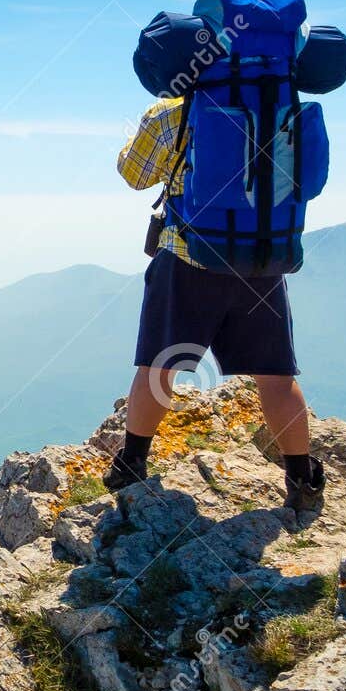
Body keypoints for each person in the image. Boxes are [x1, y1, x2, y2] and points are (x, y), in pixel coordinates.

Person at [108, 94, 325, 512]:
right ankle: (302, 480)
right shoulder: (276, 103)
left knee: (158, 368)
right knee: (276, 378)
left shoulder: (173, 110)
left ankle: (131, 465)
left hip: (187, 258)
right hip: (261, 261)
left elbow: (134, 174)